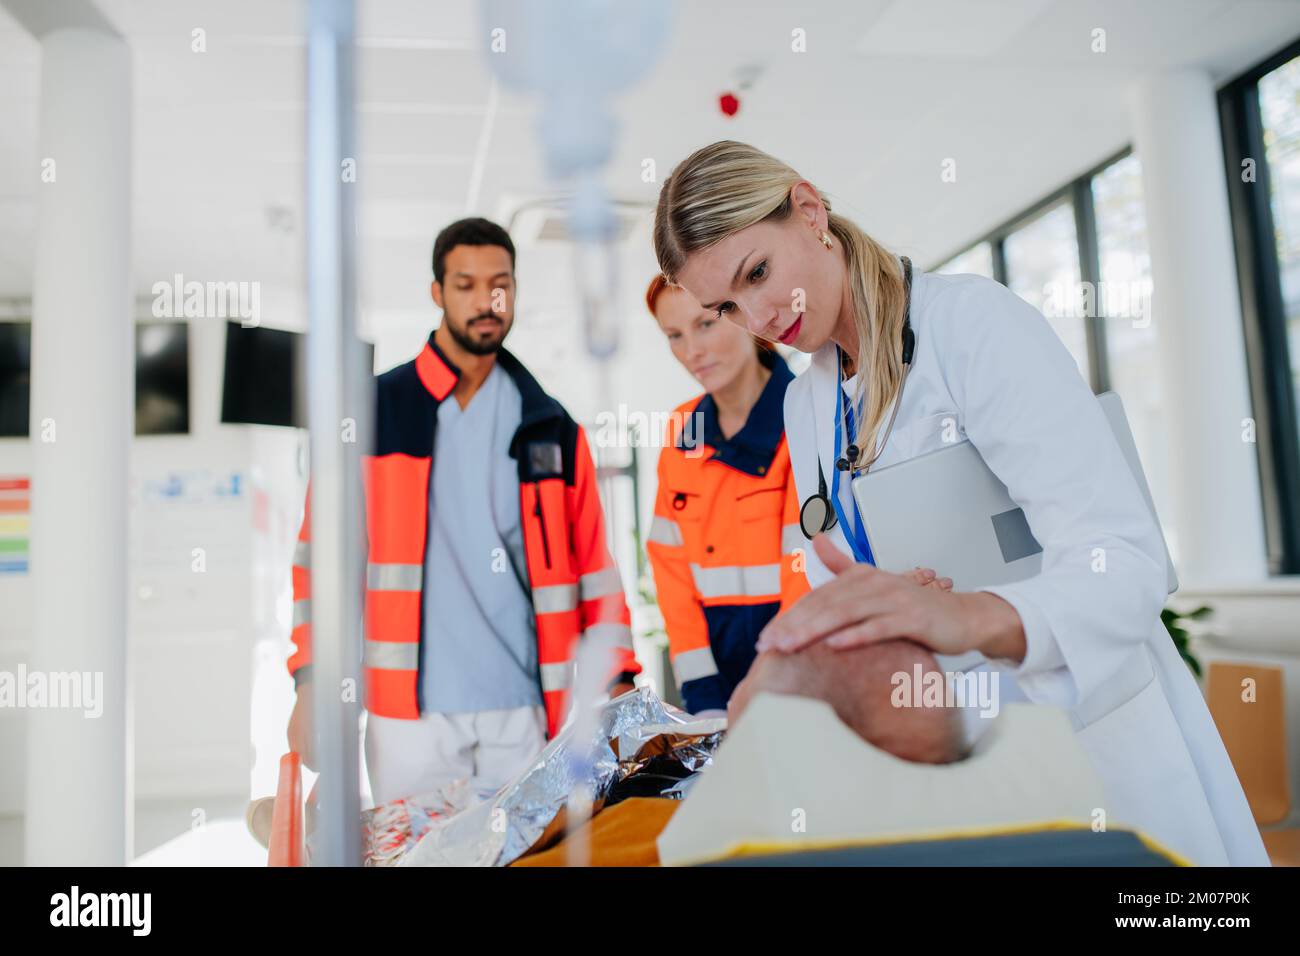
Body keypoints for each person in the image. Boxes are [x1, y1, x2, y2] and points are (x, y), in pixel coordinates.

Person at [651, 140, 1267, 867]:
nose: (755, 316)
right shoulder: (809, 402)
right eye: (726, 304)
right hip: (957, 755)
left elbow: (1124, 559)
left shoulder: (973, 327)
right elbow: (846, 580)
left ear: (809, 211)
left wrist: (965, 614)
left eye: (757, 273)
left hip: (1091, 735)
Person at [287, 217, 639, 805]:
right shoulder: (370, 414)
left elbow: (594, 571)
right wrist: (311, 681)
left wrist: (619, 678)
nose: (486, 301)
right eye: (466, 284)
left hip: (526, 709)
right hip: (409, 718)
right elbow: (322, 563)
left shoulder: (550, 427)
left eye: (499, 284)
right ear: (437, 294)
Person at [644, 275, 809, 718]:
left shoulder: (807, 414)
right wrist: (703, 695)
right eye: (673, 336)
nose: (690, 351)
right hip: (713, 688)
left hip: (800, 673)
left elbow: (806, 564)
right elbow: (671, 568)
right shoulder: (683, 429)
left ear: (743, 312)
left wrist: (774, 679)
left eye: (705, 325)